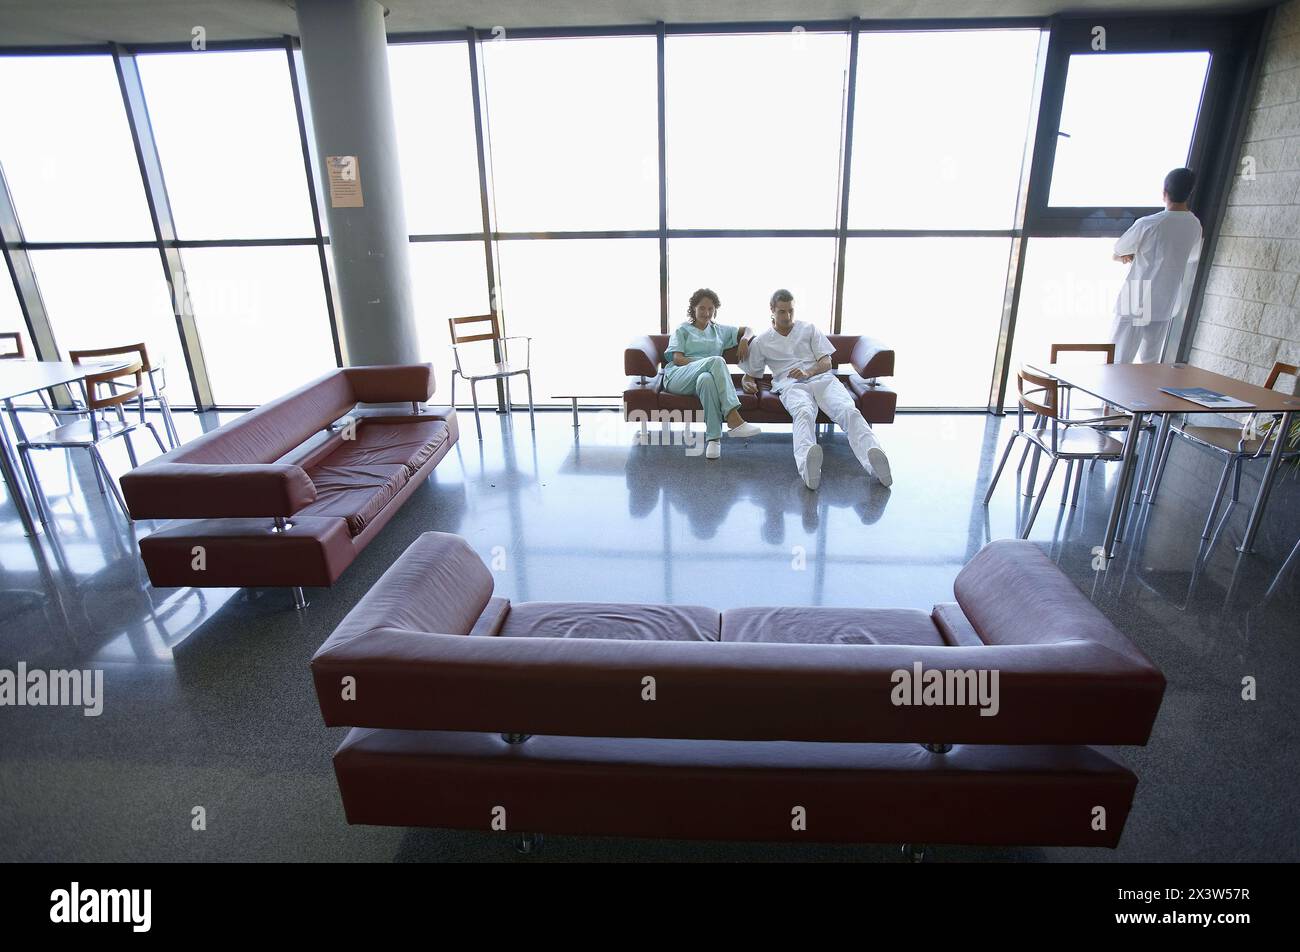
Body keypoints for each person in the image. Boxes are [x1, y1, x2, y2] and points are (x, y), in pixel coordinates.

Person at [741, 289, 893, 491]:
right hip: (790, 386)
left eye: (791, 311)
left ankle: (875, 460)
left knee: (848, 411)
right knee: (803, 413)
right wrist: (747, 382)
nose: (787, 317)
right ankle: (808, 469)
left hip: (822, 379)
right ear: (772, 311)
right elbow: (750, 373)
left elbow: (827, 361)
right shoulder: (762, 341)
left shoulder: (809, 329)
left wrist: (808, 371)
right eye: (782, 312)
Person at [1109, 167, 1202, 363]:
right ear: (1189, 193)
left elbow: (1119, 249)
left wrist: (1131, 255)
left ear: (1164, 193)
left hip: (1136, 298)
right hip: (1165, 301)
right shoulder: (1194, 225)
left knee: (1117, 363)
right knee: (1150, 364)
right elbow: (1192, 256)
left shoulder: (1150, 223)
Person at [662, 288, 761, 459]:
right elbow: (678, 359)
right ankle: (733, 418)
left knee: (707, 380)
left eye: (710, 309)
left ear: (715, 310)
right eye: (702, 308)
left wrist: (744, 339)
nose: (706, 313)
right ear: (693, 308)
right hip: (678, 377)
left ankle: (714, 440)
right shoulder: (682, 329)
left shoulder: (719, 330)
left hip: (700, 380)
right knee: (716, 361)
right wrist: (706, 363)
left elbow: (749, 329)